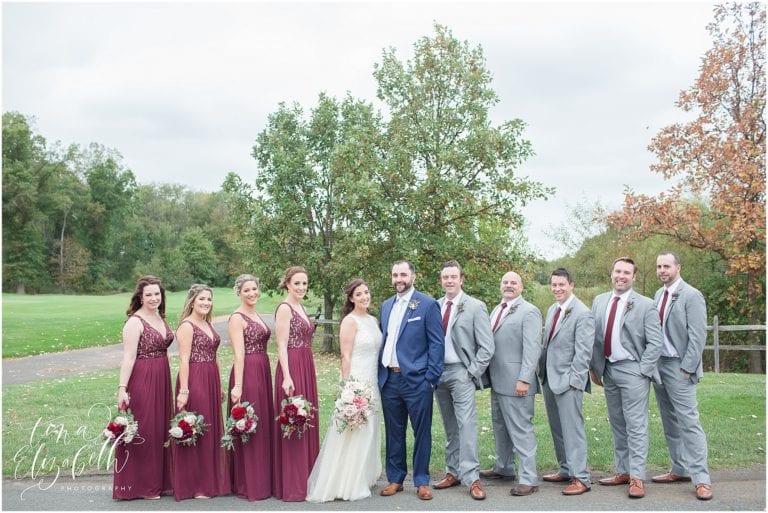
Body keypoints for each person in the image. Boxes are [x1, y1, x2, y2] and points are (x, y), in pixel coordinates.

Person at [590, 257, 662, 499]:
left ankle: (637, 477)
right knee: (617, 422)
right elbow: (595, 337)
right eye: (618, 271)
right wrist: (594, 368)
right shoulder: (599, 301)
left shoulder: (645, 304)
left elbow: (656, 342)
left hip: (633, 370)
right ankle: (623, 470)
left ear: (633, 277)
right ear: (611, 273)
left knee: (636, 424)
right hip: (608, 370)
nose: (621, 276)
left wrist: (643, 370)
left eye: (626, 273)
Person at [306, 279, 383, 502]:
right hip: (357, 382)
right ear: (351, 298)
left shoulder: (373, 320)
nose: (364, 297)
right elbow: (345, 355)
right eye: (359, 294)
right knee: (354, 430)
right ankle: (346, 482)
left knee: (369, 430)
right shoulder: (349, 321)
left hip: (373, 381)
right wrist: (348, 389)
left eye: (366, 292)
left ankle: (363, 475)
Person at [378, 260, 444, 501]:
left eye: (403, 274)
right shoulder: (386, 306)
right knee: (394, 432)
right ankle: (395, 479)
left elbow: (437, 343)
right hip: (389, 379)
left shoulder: (427, 305)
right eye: (395, 275)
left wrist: (431, 378)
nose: (399, 279)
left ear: (413, 276)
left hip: (418, 381)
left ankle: (421, 480)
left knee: (421, 432)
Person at [651, 252, 712, 501]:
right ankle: (680, 468)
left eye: (667, 266)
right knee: (670, 421)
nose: (662, 270)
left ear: (678, 267)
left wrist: (687, 368)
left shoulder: (691, 295)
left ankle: (702, 479)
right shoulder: (658, 294)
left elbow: (698, 336)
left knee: (689, 422)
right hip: (660, 366)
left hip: (680, 367)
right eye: (659, 267)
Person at [432, 260, 494, 500]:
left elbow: (487, 347)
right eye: (445, 277)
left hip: (462, 372)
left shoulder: (476, 307)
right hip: (439, 373)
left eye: (453, 277)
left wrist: (471, 372)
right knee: (450, 426)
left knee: (466, 425)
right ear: (441, 280)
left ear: (461, 279)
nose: (449, 280)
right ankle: (453, 471)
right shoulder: (435, 306)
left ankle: (472, 478)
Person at [481, 271, 542, 496]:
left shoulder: (529, 312)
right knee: (500, 427)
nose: (508, 285)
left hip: (517, 381)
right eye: (505, 282)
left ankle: (528, 478)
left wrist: (524, 378)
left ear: (521, 287)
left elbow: (532, 348)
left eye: (513, 282)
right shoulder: (497, 309)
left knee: (521, 429)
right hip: (498, 380)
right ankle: (504, 467)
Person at [113, 275, 174, 500]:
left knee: (159, 428)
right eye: (148, 294)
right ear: (140, 296)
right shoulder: (135, 322)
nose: (153, 298)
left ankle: (159, 482)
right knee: (145, 429)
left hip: (162, 375)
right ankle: (142, 486)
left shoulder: (159, 316)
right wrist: (122, 388)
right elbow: (128, 358)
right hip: (144, 378)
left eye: (157, 294)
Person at [538, 268, 594, 496]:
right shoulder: (553, 309)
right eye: (554, 285)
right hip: (550, 378)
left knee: (573, 430)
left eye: (561, 285)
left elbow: (583, 352)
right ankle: (565, 468)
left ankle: (581, 477)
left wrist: (574, 380)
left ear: (571, 285)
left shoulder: (582, 313)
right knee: (557, 428)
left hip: (569, 380)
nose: (557, 289)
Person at [172, 284, 231, 500]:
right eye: (202, 300)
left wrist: (220, 385)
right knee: (198, 427)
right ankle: (195, 486)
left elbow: (213, 356)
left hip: (211, 378)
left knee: (210, 429)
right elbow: (184, 359)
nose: (206, 303)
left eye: (209, 299)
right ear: (192, 302)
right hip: (195, 379)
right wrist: (184, 390)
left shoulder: (207, 323)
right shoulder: (187, 326)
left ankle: (210, 481)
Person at [273, 266, 320, 502]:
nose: (302, 287)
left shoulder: (301, 306)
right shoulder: (284, 308)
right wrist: (287, 376)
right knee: (294, 420)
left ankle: (308, 478)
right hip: (291, 366)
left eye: (305, 283)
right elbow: (281, 344)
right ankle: (293, 485)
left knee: (306, 419)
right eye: (297, 283)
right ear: (288, 284)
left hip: (306, 364)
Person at [227, 274, 274, 501]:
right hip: (247, 373)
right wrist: (237, 385)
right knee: (249, 423)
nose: (252, 293)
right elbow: (238, 354)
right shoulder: (237, 317)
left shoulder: (255, 313)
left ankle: (264, 479)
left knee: (262, 422)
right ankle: (249, 483)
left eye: (254, 289)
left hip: (262, 369)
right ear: (239, 293)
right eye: (247, 290)